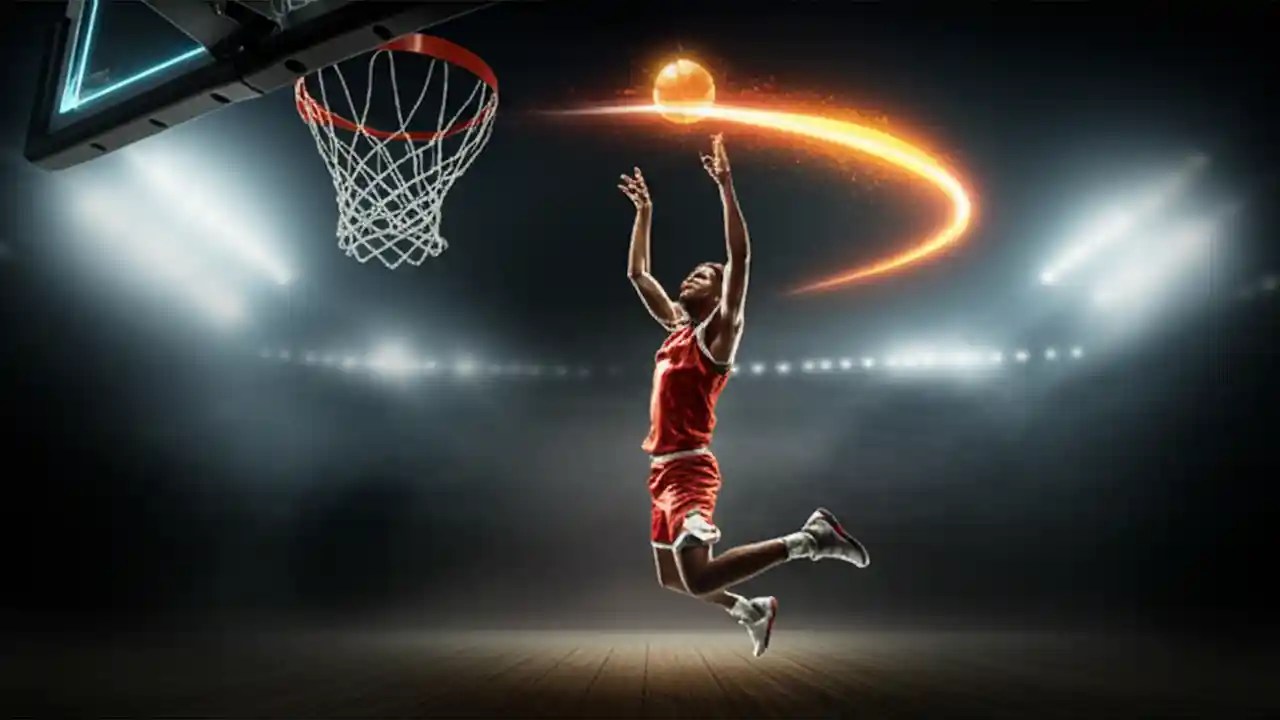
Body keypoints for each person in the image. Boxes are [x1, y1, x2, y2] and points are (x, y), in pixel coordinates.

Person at [619, 133, 870, 657]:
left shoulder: (718, 335)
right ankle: (750, 609)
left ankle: (811, 539)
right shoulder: (675, 330)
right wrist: (645, 210)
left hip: (688, 470)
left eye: (704, 275)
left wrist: (726, 185)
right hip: (660, 473)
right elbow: (638, 273)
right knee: (675, 579)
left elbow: (741, 256)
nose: (691, 275)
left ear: (719, 293)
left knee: (697, 575)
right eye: (691, 271)